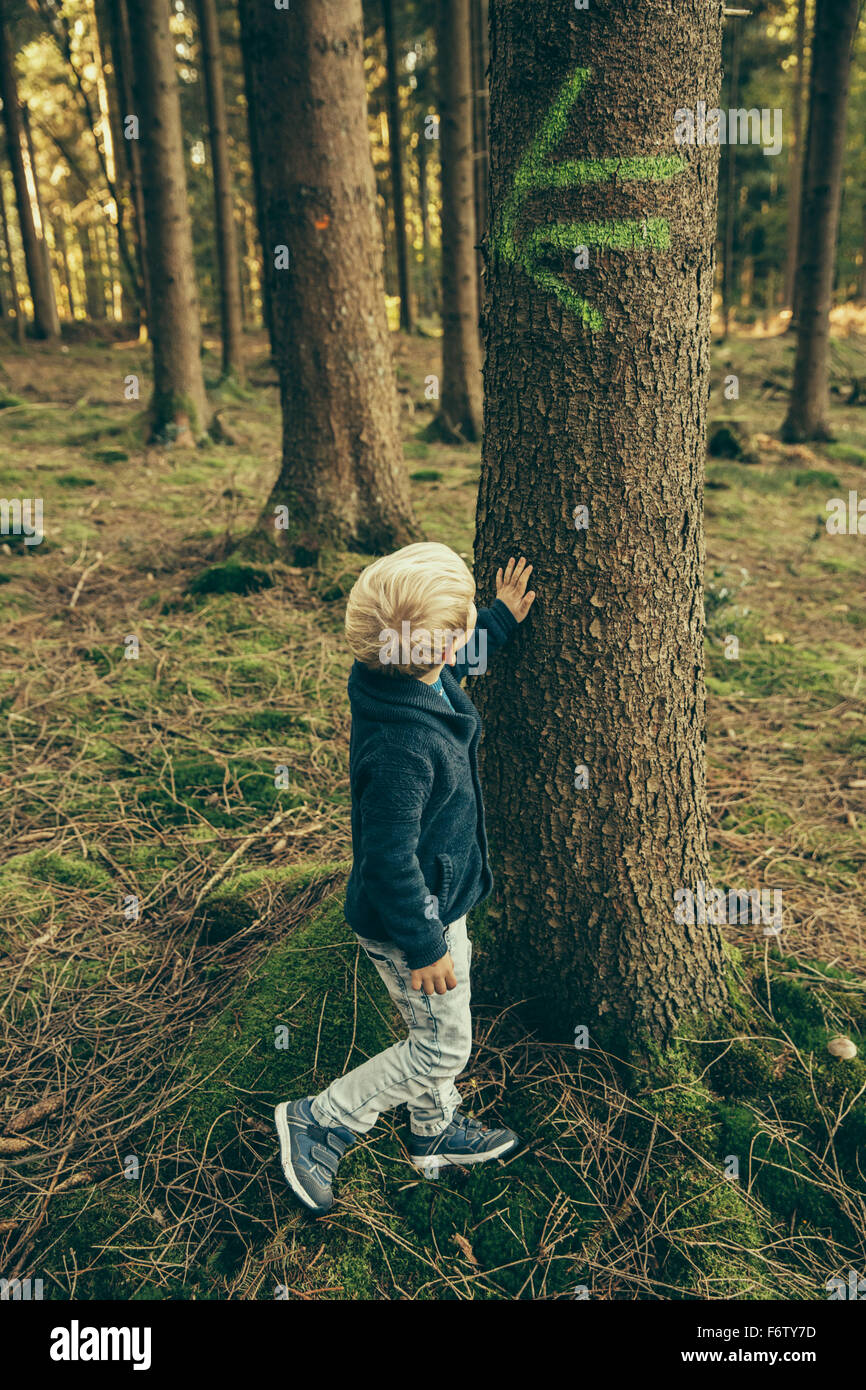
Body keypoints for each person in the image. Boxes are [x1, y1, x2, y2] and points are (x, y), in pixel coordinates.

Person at [275, 543, 536, 1215]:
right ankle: (323, 1117)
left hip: (442, 902)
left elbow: (459, 664)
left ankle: (434, 1130)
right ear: (438, 647)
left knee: (436, 1027)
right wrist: (424, 946)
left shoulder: (403, 673)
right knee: (445, 1042)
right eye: (461, 628)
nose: (462, 643)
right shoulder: (402, 748)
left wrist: (498, 619)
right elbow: (388, 860)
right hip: (410, 922)